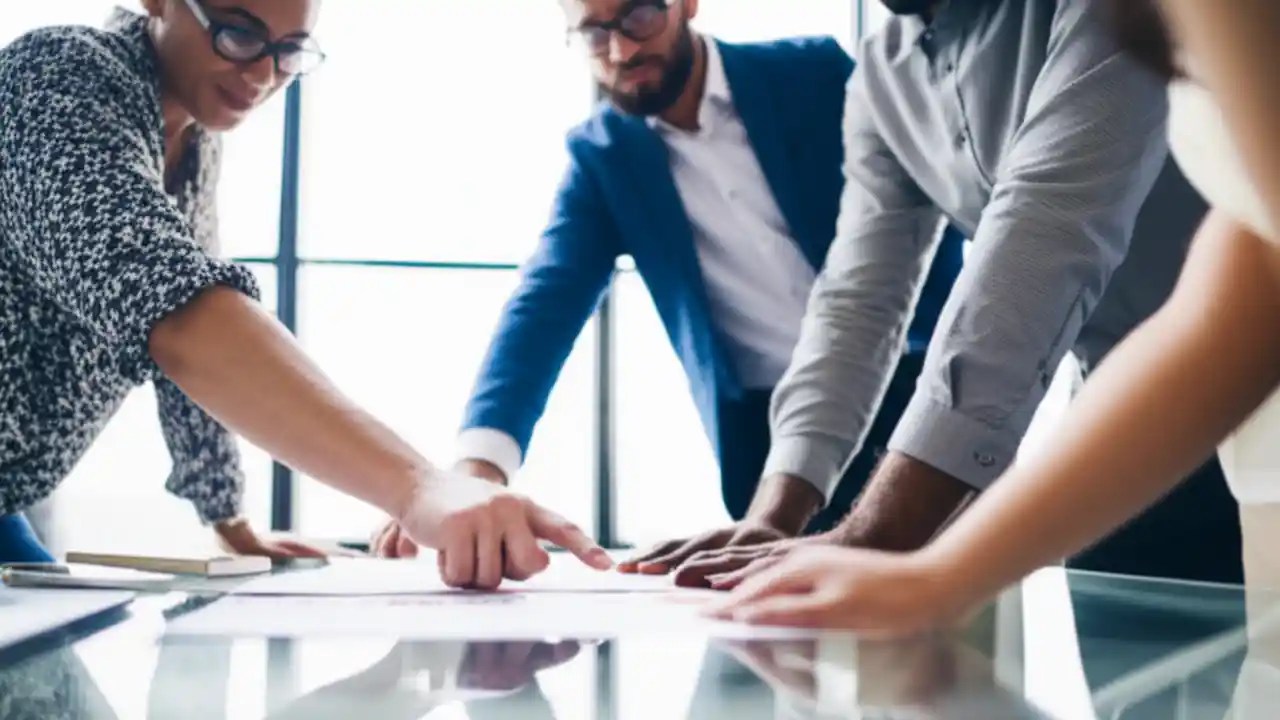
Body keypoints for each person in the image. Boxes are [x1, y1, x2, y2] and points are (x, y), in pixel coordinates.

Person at [707, 0, 1280, 634]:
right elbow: (857, 299)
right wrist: (780, 509)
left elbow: (1048, 220)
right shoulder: (881, 78)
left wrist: (895, 536)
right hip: (1140, 407)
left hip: (1244, 405)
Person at [0, 0, 610, 589]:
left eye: (289, 50)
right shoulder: (55, 78)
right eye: (238, 34)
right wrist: (420, 487)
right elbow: (174, 311)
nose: (264, 74)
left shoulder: (192, 142)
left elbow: (186, 337)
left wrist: (228, 520)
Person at [371, 0, 963, 558]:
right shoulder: (604, 158)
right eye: (594, 33)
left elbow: (916, 231)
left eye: (640, 16)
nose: (621, 52)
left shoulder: (816, 74)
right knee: (776, 645)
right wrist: (477, 470)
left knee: (949, 637)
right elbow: (542, 308)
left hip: (915, 406)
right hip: (766, 451)